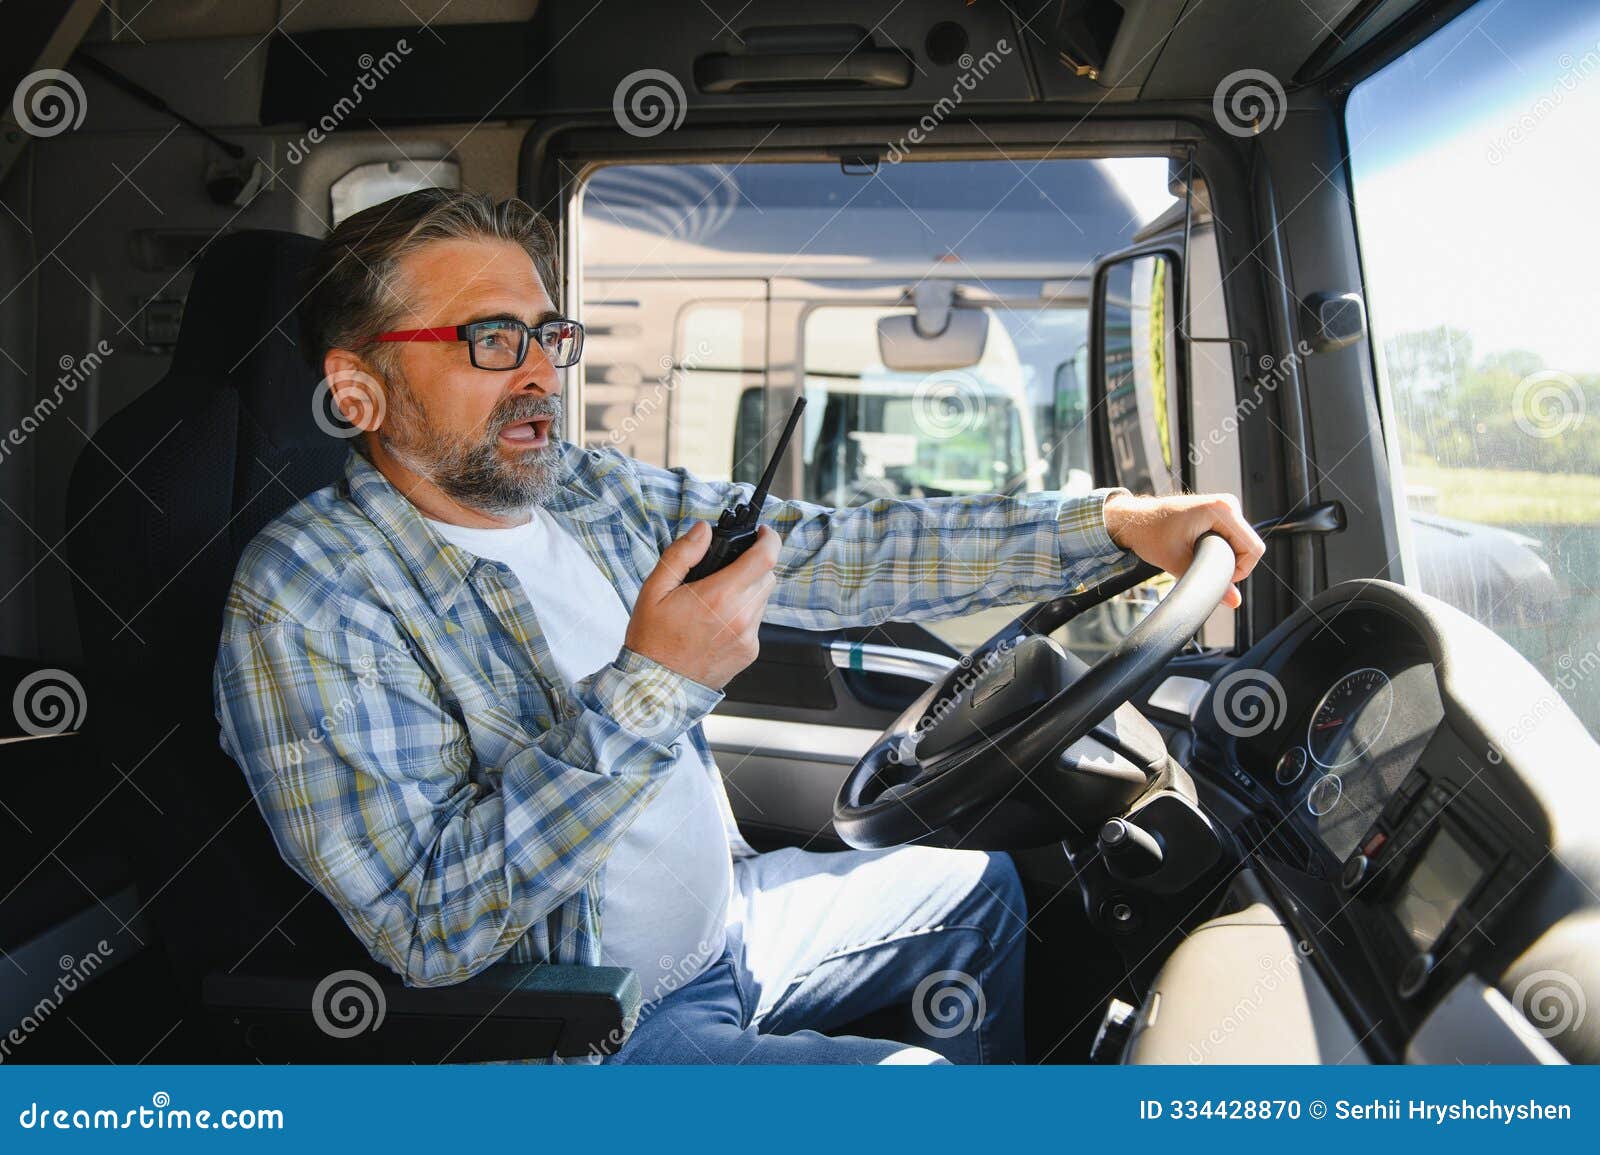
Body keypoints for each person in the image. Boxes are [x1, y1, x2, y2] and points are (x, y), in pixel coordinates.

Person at [213, 188, 1265, 1064]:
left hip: (726, 929)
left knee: (980, 890)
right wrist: (655, 684)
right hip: (587, 1030)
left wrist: (1114, 527)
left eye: (547, 335)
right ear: (358, 390)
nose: (538, 373)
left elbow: (844, 551)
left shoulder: (583, 490)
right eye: (491, 339)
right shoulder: (308, 597)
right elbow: (430, 924)